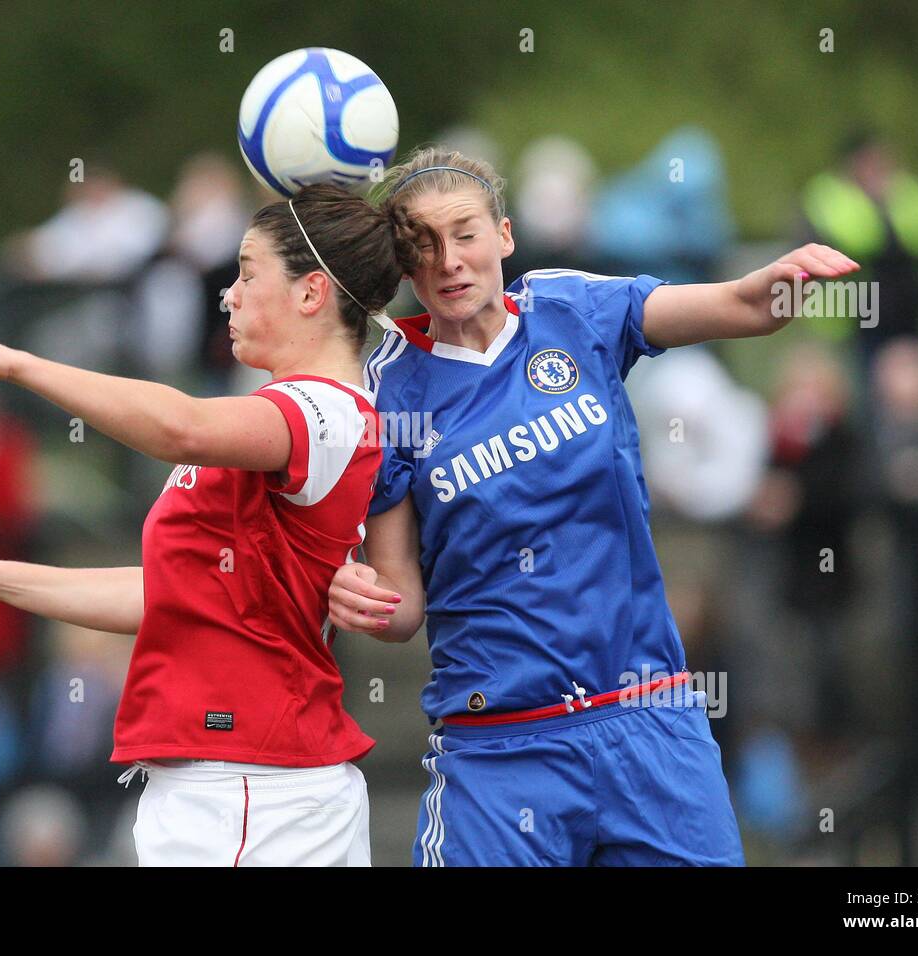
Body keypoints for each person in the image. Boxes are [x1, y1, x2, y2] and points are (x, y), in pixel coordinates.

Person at [328, 147, 859, 867]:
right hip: (500, 747)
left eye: (465, 233)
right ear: (402, 264)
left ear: (505, 236)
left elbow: (742, 304)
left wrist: (776, 286)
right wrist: (353, 592)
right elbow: (401, 607)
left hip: (648, 721)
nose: (449, 259)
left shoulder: (569, 308)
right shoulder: (389, 393)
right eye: (421, 244)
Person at [0, 182, 420, 866]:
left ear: (312, 294)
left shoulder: (329, 411)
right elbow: (175, 595)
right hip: (229, 788)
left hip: (254, 789)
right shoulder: (268, 424)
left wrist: (13, 364)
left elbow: (178, 426)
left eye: (248, 274)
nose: (230, 294)